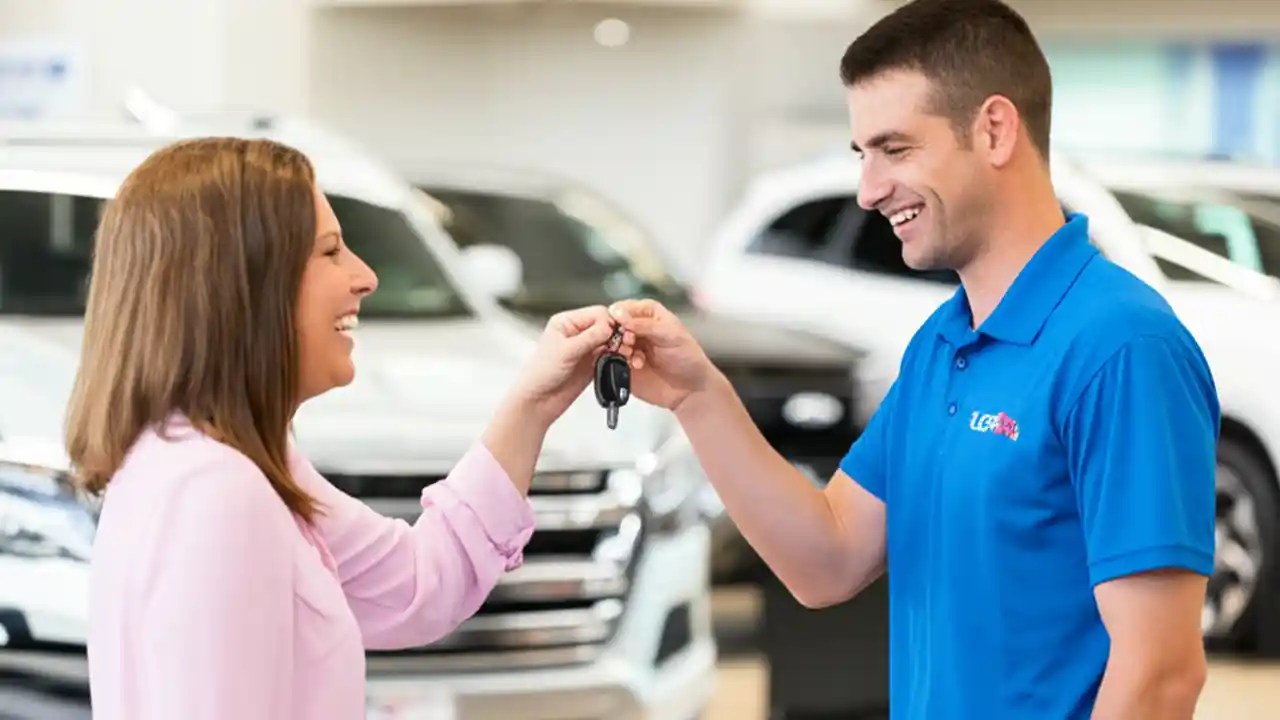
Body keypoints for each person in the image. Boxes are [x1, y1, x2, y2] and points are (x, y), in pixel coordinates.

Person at [607, 1, 1218, 718]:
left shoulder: (1122, 349)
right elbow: (828, 559)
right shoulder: (942, 345)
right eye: (862, 155)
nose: (869, 191)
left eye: (894, 150)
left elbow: (1160, 676)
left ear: (994, 130)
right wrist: (698, 396)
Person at [64, 137, 631, 719]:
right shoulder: (217, 491)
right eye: (331, 251)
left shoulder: (222, 462)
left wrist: (534, 404)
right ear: (246, 283)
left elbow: (417, 583)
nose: (365, 277)